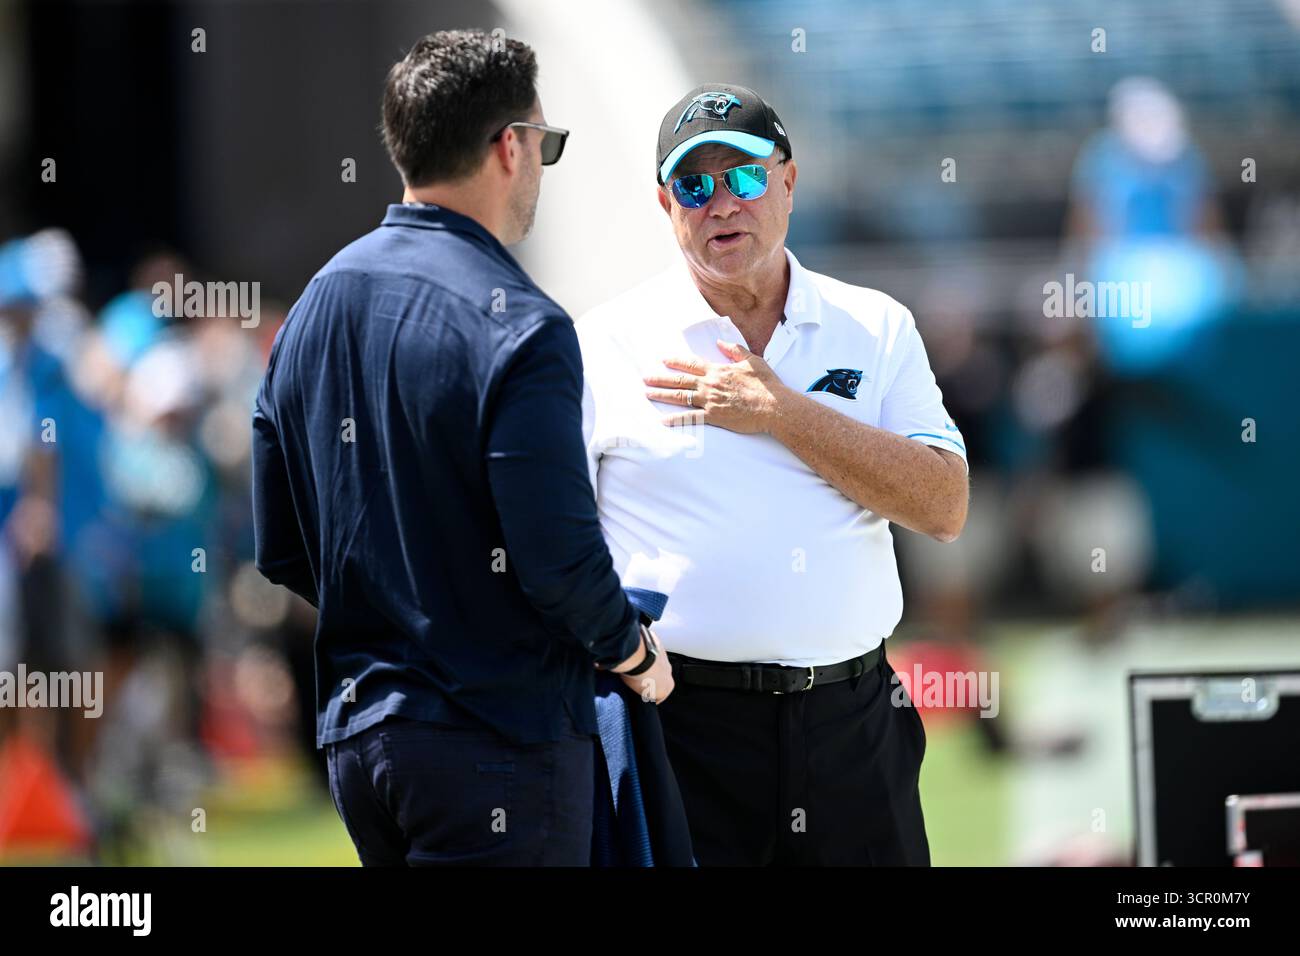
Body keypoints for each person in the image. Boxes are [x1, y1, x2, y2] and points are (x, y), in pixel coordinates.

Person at [251, 30, 672, 867]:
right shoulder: (523, 321)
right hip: (495, 738)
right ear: (509, 147)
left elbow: (282, 546)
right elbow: (555, 557)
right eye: (546, 143)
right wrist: (633, 651)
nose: (544, 167)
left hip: (362, 740)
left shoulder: (312, 307)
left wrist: (398, 605)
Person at [577, 84, 969, 865]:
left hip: (854, 724)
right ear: (666, 204)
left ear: (788, 183)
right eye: (694, 185)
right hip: (683, 730)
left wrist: (781, 411)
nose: (722, 203)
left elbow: (943, 503)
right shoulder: (604, 342)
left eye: (745, 178)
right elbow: (553, 540)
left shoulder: (876, 323)